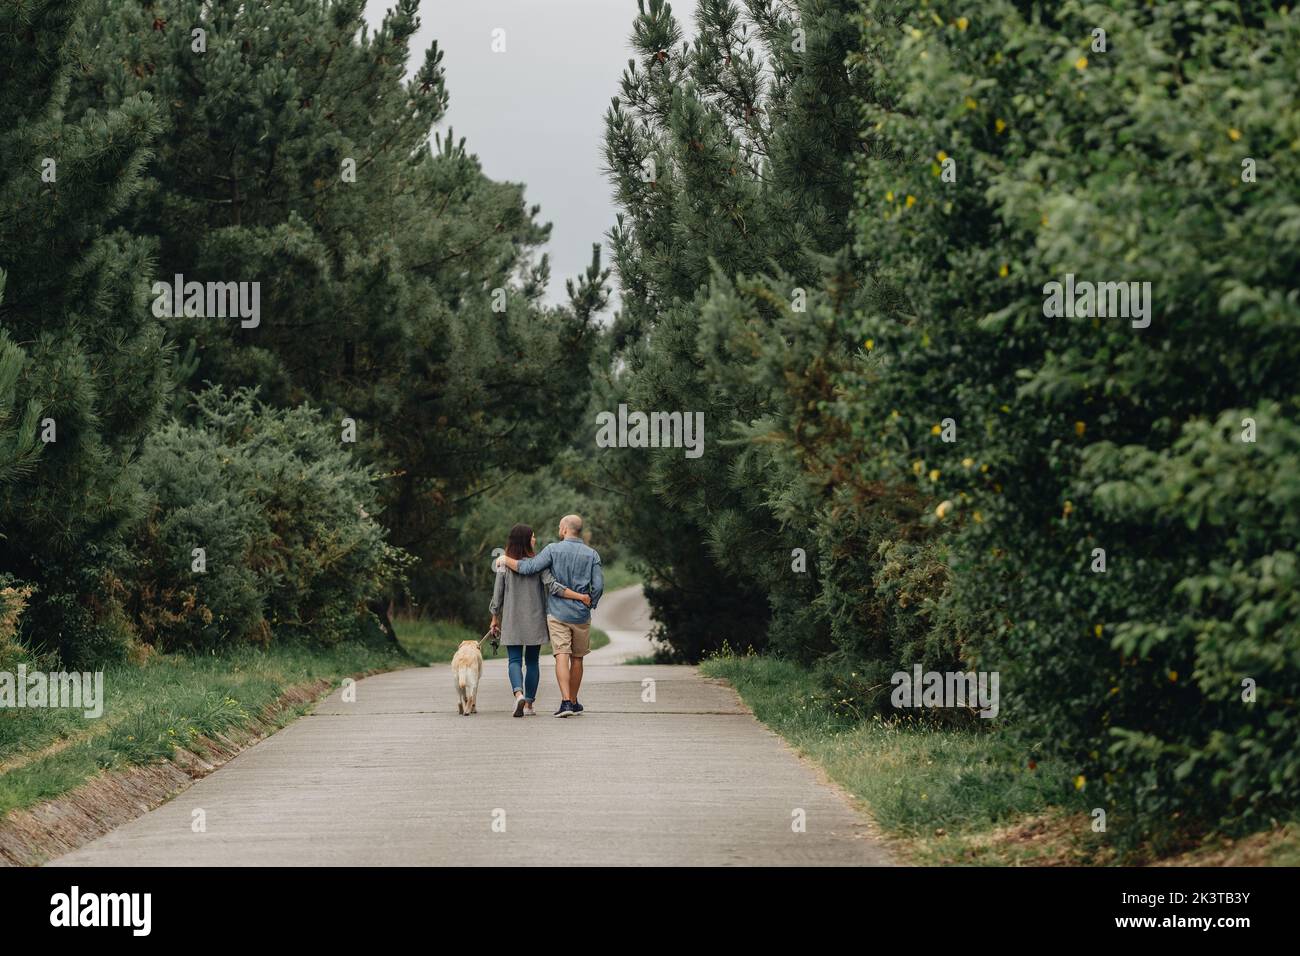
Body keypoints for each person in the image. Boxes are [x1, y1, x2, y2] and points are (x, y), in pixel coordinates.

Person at [498, 514, 603, 718]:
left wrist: (504, 559)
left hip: (558, 613)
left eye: (559, 527)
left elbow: (528, 568)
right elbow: (598, 586)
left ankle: (565, 702)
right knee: (578, 658)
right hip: (581, 615)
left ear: (564, 529)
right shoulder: (592, 554)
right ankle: (573, 700)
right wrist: (589, 602)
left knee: (561, 655)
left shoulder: (552, 550)